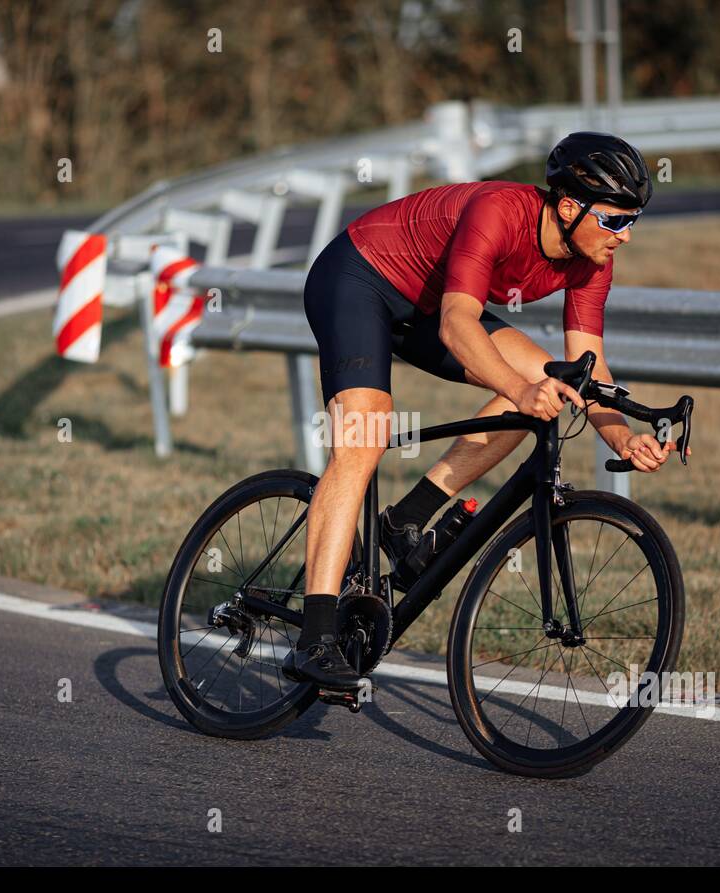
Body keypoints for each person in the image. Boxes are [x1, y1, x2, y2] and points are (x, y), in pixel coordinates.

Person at [287, 131, 677, 690]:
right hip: (358, 278)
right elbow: (456, 326)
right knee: (365, 436)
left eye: (632, 220)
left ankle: (406, 520)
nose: (625, 235)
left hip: (431, 302)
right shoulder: (499, 212)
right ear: (569, 206)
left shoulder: (592, 258)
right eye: (615, 220)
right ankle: (316, 636)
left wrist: (622, 438)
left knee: (553, 383)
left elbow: (586, 366)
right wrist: (519, 392)